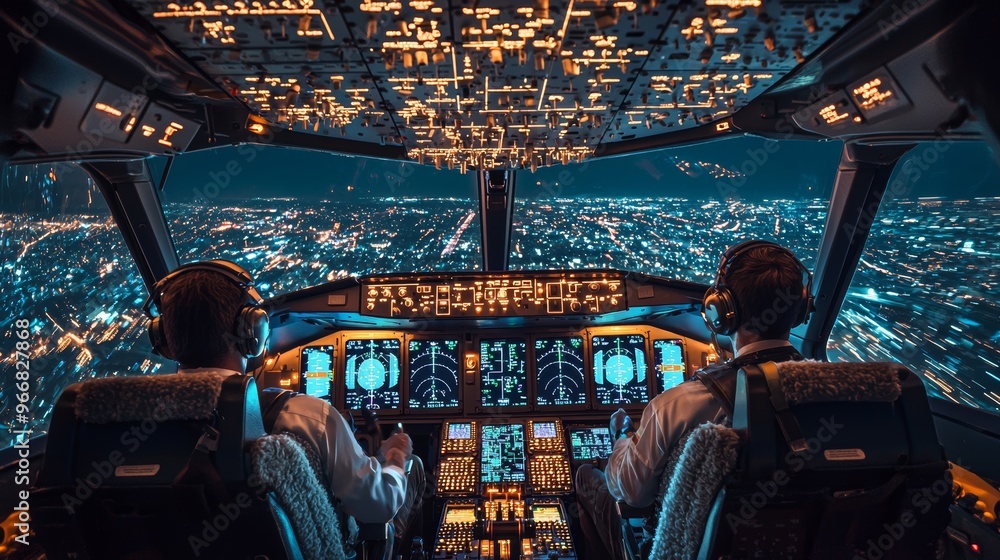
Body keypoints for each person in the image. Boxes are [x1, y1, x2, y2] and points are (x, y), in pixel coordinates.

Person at [147, 260, 425, 555]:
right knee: (413, 468)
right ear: (250, 331)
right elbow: (378, 505)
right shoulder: (307, 417)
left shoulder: (123, 424)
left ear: (163, 338)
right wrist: (394, 458)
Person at [574, 240, 813, 560]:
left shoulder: (678, 406)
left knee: (587, 477)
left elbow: (631, 492)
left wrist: (620, 439)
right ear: (801, 309)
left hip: (684, 550)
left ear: (722, 312)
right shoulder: (838, 398)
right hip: (796, 544)